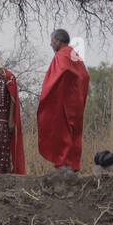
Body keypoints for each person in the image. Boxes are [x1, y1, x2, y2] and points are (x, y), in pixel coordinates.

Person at [37, 29, 90, 172]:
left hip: (64, 102)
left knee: (62, 132)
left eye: (52, 40)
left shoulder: (62, 56)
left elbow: (59, 76)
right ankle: (72, 166)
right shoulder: (74, 54)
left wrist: (51, 95)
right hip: (76, 102)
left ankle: (64, 164)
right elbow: (84, 76)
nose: (50, 44)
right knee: (74, 133)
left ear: (58, 41)